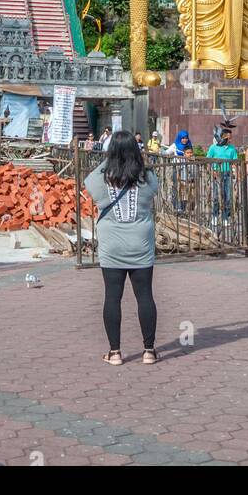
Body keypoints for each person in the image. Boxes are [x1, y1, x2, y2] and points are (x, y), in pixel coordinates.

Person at [84, 131, 160, 366]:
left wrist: (110, 158)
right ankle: (149, 351)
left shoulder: (102, 178)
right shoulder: (147, 178)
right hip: (141, 244)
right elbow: (154, 189)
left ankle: (115, 352)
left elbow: (88, 181)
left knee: (112, 297)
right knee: (145, 295)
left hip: (112, 245)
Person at [207, 125, 238, 225]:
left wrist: (236, 174)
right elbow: (208, 159)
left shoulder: (232, 148)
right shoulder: (214, 147)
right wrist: (212, 171)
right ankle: (215, 216)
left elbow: (234, 162)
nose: (230, 139)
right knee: (216, 196)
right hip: (217, 174)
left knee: (228, 197)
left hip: (227, 174)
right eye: (228, 137)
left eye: (231, 137)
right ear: (223, 136)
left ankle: (225, 217)